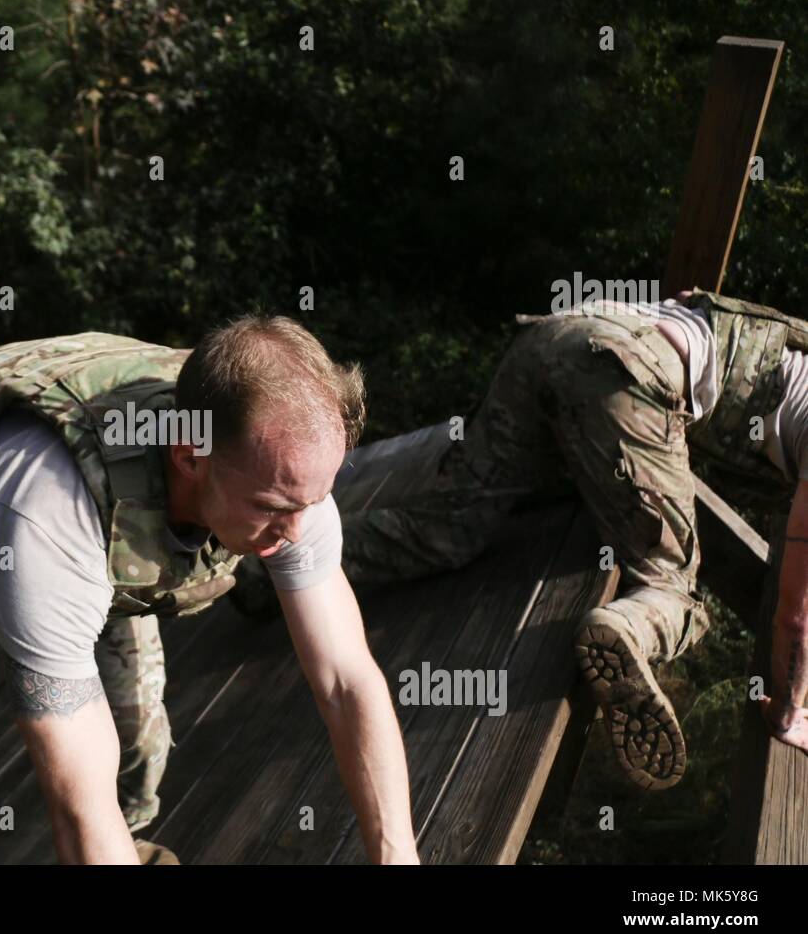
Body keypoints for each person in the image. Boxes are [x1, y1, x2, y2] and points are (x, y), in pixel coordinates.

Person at [0, 315, 419, 863]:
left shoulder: (284, 474)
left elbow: (347, 681)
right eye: (273, 508)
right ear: (190, 457)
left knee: (140, 738)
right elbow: (77, 807)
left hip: (112, 548)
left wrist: (397, 854)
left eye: (310, 502)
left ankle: (132, 842)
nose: (295, 532)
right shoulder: (49, 514)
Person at [295, 288, 808, 790]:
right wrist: (788, 713)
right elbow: (796, 612)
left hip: (554, 338)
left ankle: (270, 557)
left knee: (448, 529)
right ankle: (626, 628)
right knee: (675, 586)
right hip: (621, 375)